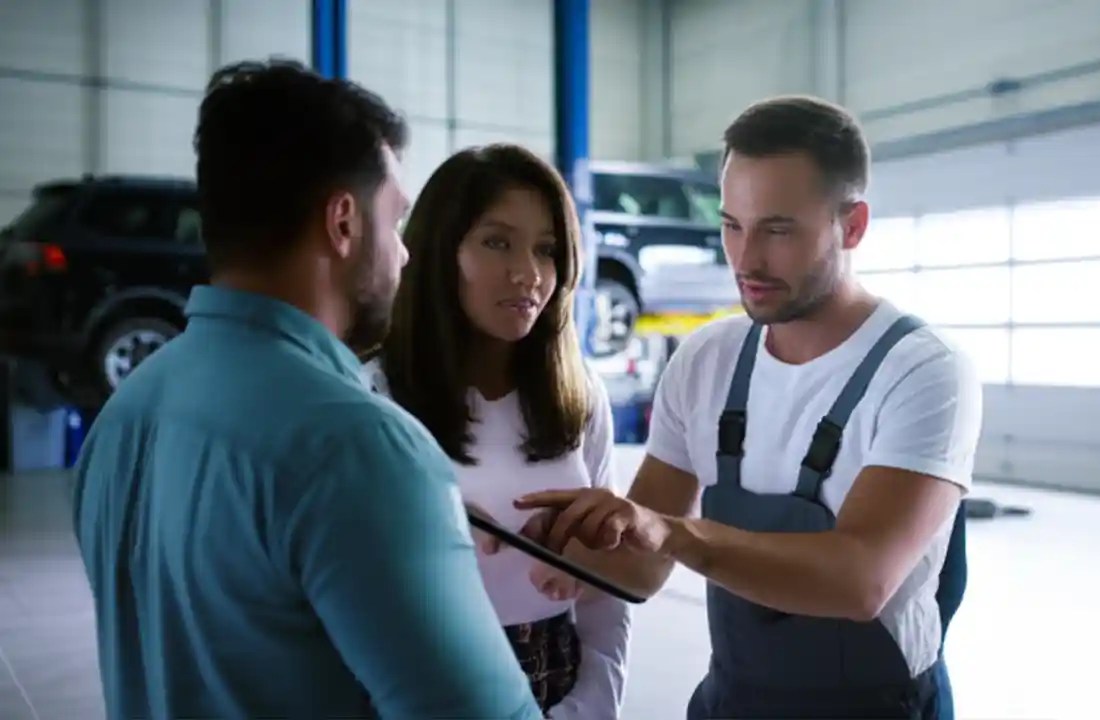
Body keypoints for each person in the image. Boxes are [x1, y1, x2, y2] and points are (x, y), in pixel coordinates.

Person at [71, 59, 542, 720]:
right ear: (344, 222)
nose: (405, 254)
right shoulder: (358, 446)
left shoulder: (126, 412)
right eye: (395, 221)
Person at [516, 95, 983, 719]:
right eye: (732, 225)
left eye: (778, 229)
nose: (747, 259)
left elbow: (860, 579)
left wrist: (673, 532)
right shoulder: (707, 359)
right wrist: (552, 549)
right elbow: (644, 566)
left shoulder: (924, 371)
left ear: (853, 226)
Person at [366, 143, 631, 719]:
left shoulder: (580, 398)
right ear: (440, 252)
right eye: (497, 242)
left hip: (561, 690)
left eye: (546, 249)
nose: (528, 273)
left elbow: (604, 592)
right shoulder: (372, 400)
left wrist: (590, 706)